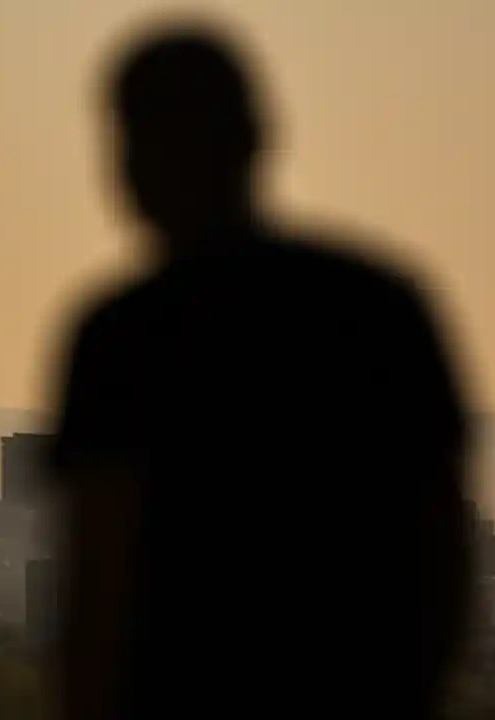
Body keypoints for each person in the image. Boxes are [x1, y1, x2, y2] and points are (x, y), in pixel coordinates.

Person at [49, 22, 470, 719]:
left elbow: (97, 580)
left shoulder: (124, 336)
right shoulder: (378, 307)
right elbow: (444, 544)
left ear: (126, 164)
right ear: (257, 137)